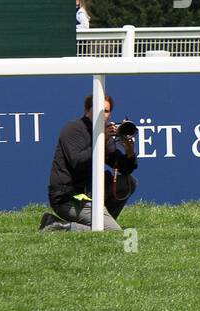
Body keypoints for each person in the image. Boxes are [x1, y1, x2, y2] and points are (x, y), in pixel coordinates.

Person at [40, 94, 138, 232]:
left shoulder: (105, 135)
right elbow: (78, 163)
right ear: (87, 110)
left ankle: (98, 224)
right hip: (68, 197)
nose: (103, 114)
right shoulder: (73, 129)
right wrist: (101, 140)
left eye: (106, 111)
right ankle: (58, 226)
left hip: (91, 194)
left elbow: (123, 168)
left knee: (128, 183)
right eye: (99, 109)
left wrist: (129, 148)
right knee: (114, 232)